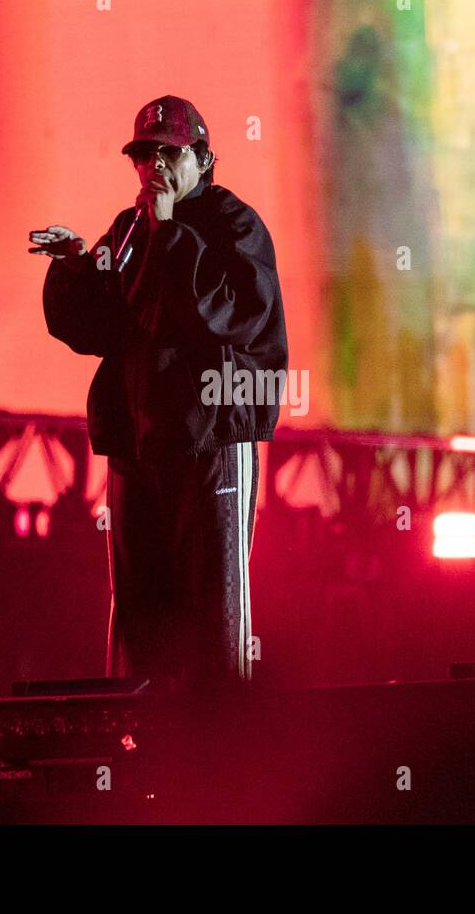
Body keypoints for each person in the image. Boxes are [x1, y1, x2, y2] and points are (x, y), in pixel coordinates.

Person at [30, 95, 288, 694]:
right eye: (145, 156)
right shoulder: (127, 231)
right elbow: (94, 328)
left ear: (204, 158)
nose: (156, 167)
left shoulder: (234, 225)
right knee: (140, 611)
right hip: (139, 444)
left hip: (211, 441)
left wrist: (169, 232)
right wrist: (74, 264)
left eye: (170, 154)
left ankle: (222, 735)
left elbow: (230, 314)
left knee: (213, 607)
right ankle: (135, 739)